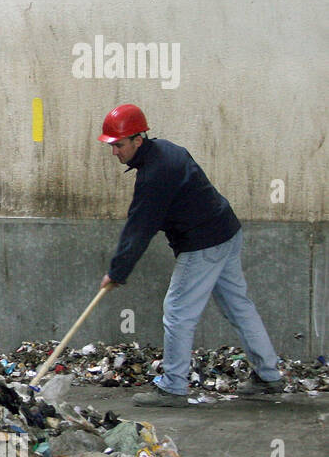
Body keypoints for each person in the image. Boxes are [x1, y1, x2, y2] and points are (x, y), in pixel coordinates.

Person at [96, 104, 284, 407]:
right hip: (226, 231)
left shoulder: (154, 175)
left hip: (204, 244)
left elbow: (139, 229)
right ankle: (269, 375)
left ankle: (173, 387)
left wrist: (117, 272)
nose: (114, 152)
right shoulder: (168, 150)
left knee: (178, 312)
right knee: (239, 307)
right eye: (111, 145)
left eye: (118, 145)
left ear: (137, 141)